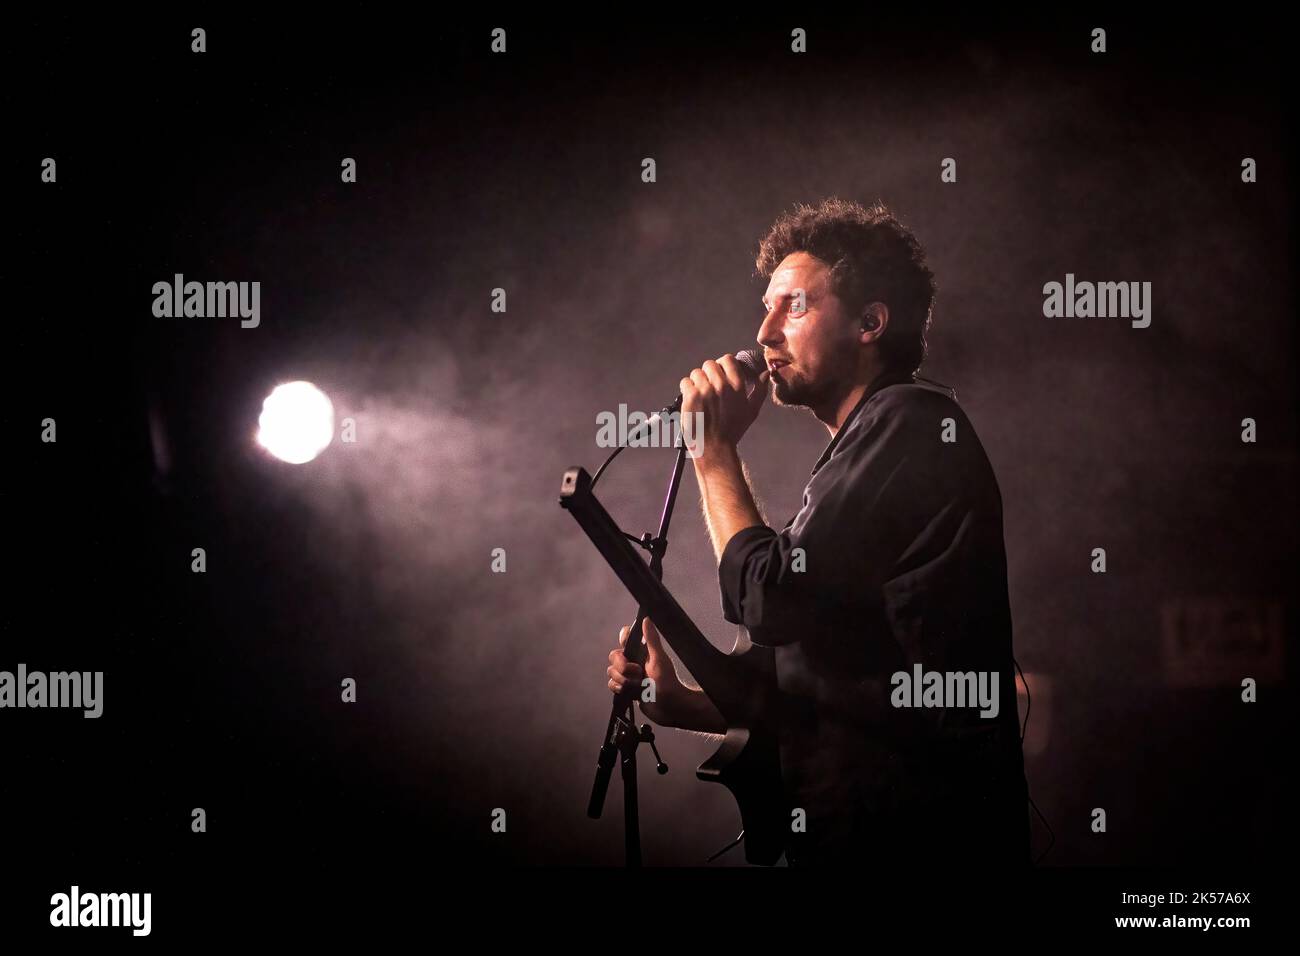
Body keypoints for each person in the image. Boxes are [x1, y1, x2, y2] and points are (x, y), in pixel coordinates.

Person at [607, 198, 1030, 866]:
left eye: (794, 306)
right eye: (766, 308)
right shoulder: (865, 449)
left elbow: (769, 597)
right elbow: (824, 685)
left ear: (870, 323)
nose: (765, 332)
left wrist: (713, 453)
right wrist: (682, 703)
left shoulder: (911, 424)